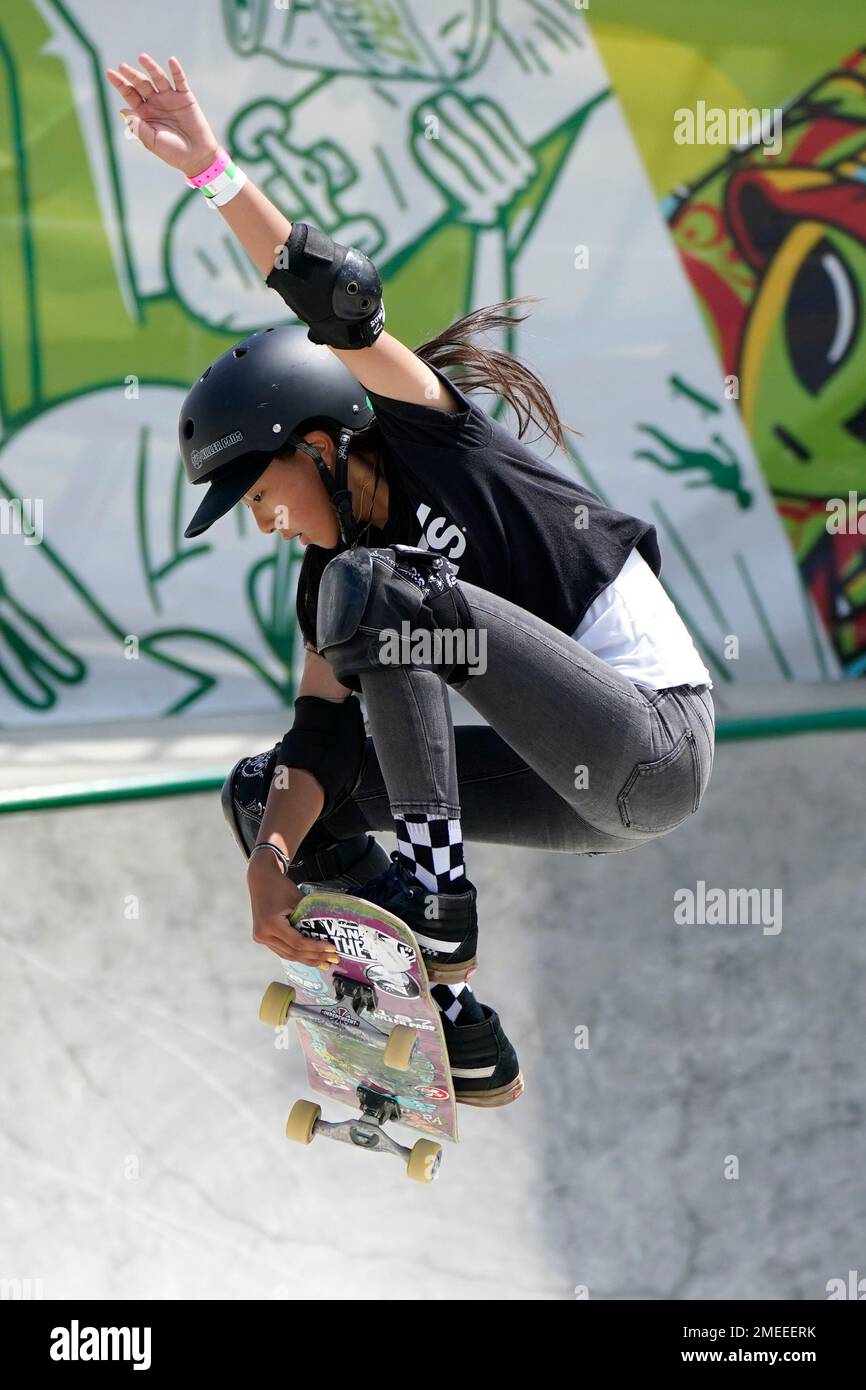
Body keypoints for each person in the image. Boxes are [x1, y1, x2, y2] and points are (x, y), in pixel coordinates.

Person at [107, 53, 716, 1108]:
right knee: (269, 792)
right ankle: (452, 1028)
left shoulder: (434, 439)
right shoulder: (334, 583)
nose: (260, 519)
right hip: (566, 790)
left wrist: (211, 171)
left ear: (319, 440)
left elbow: (335, 302)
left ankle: (439, 901)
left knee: (378, 591)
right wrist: (268, 861)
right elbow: (316, 741)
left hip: (650, 740)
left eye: (260, 490)